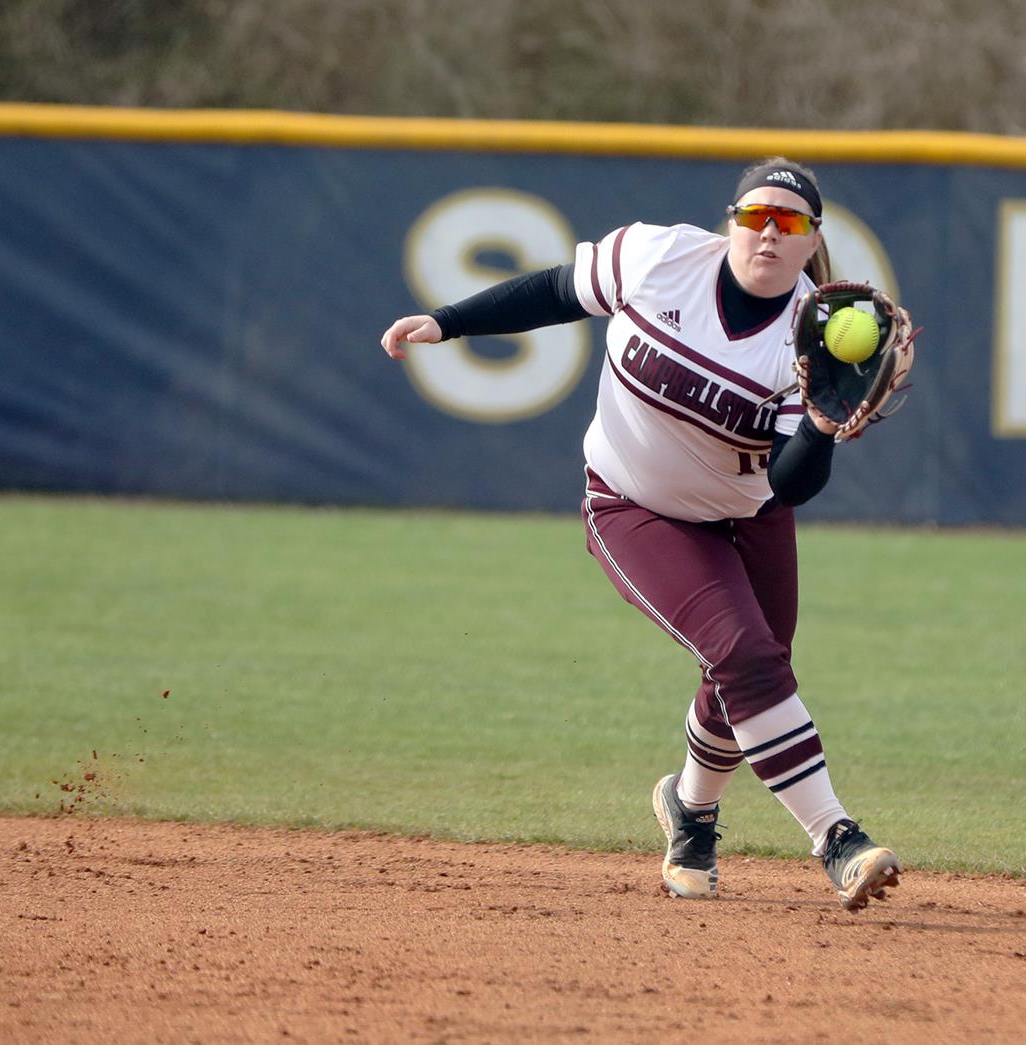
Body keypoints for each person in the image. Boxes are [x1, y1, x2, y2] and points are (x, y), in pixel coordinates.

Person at [379, 158, 902, 910]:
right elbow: (557, 289)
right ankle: (836, 838)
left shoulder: (813, 333)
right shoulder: (661, 258)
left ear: (811, 239)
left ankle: (690, 810)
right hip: (635, 502)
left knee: (750, 669)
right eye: (755, 214)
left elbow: (790, 484)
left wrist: (819, 424)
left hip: (751, 511)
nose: (768, 232)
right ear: (731, 221)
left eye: (789, 222)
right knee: (746, 656)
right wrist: (451, 320)